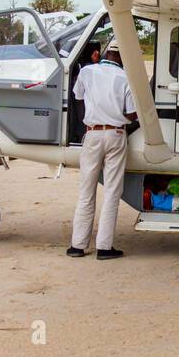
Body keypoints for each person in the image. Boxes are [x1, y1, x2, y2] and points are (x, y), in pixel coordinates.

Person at [68, 37, 137, 260]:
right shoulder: (127, 78)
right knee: (112, 192)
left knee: (86, 191)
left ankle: (77, 245)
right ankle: (104, 247)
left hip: (92, 133)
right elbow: (131, 114)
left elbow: (78, 95)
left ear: (107, 53)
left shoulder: (88, 72)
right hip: (116, 134)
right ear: (123, 57)